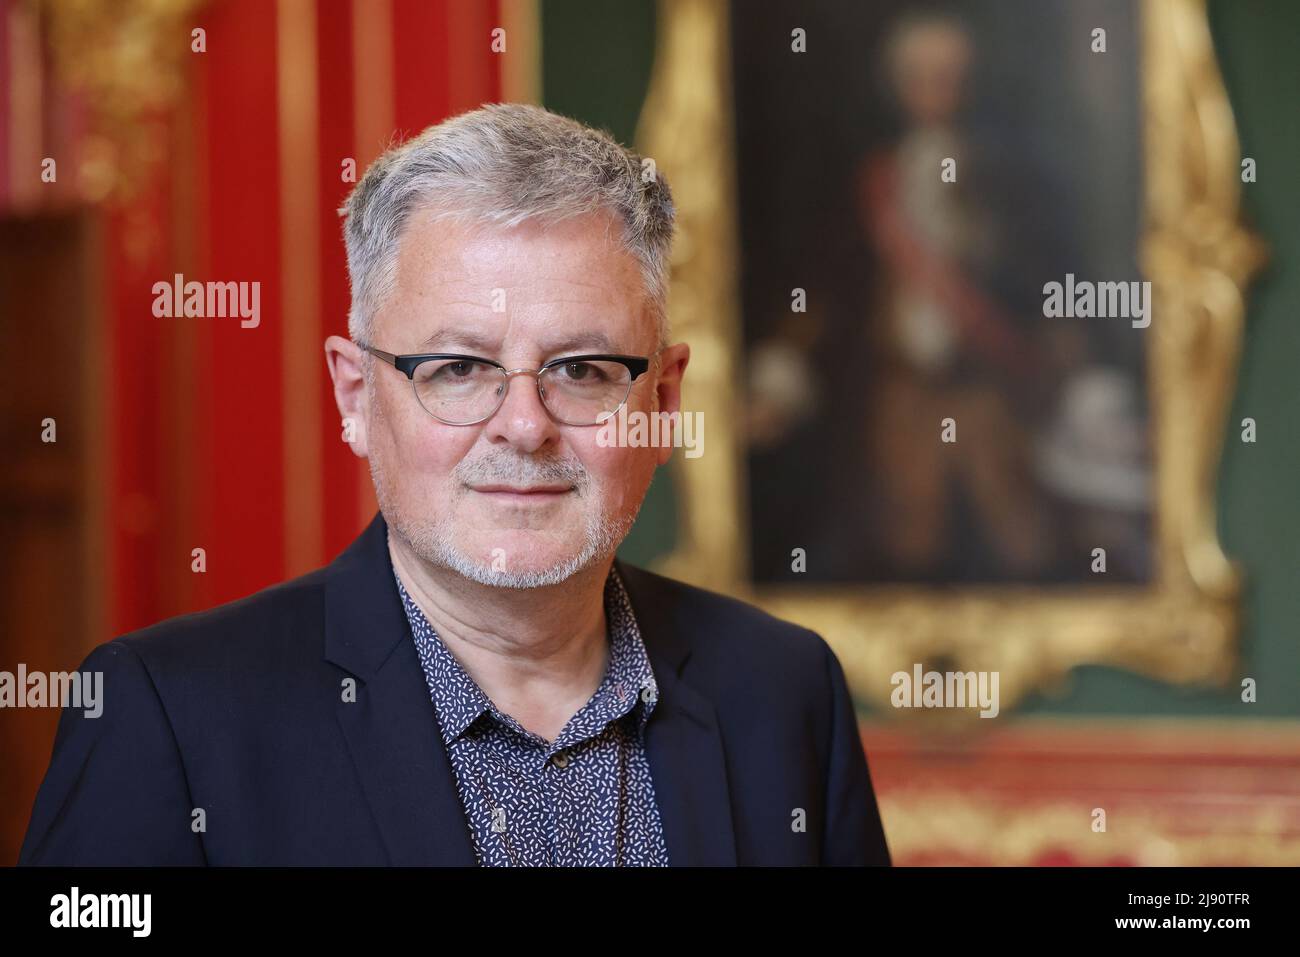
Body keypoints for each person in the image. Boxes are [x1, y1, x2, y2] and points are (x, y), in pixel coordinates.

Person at [20, 103, 891, 866]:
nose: (524, 424)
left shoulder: (785, 693)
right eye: (460, 368)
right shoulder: (169, 720)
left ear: (661, 402)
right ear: (356, 397)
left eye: (582, 369)